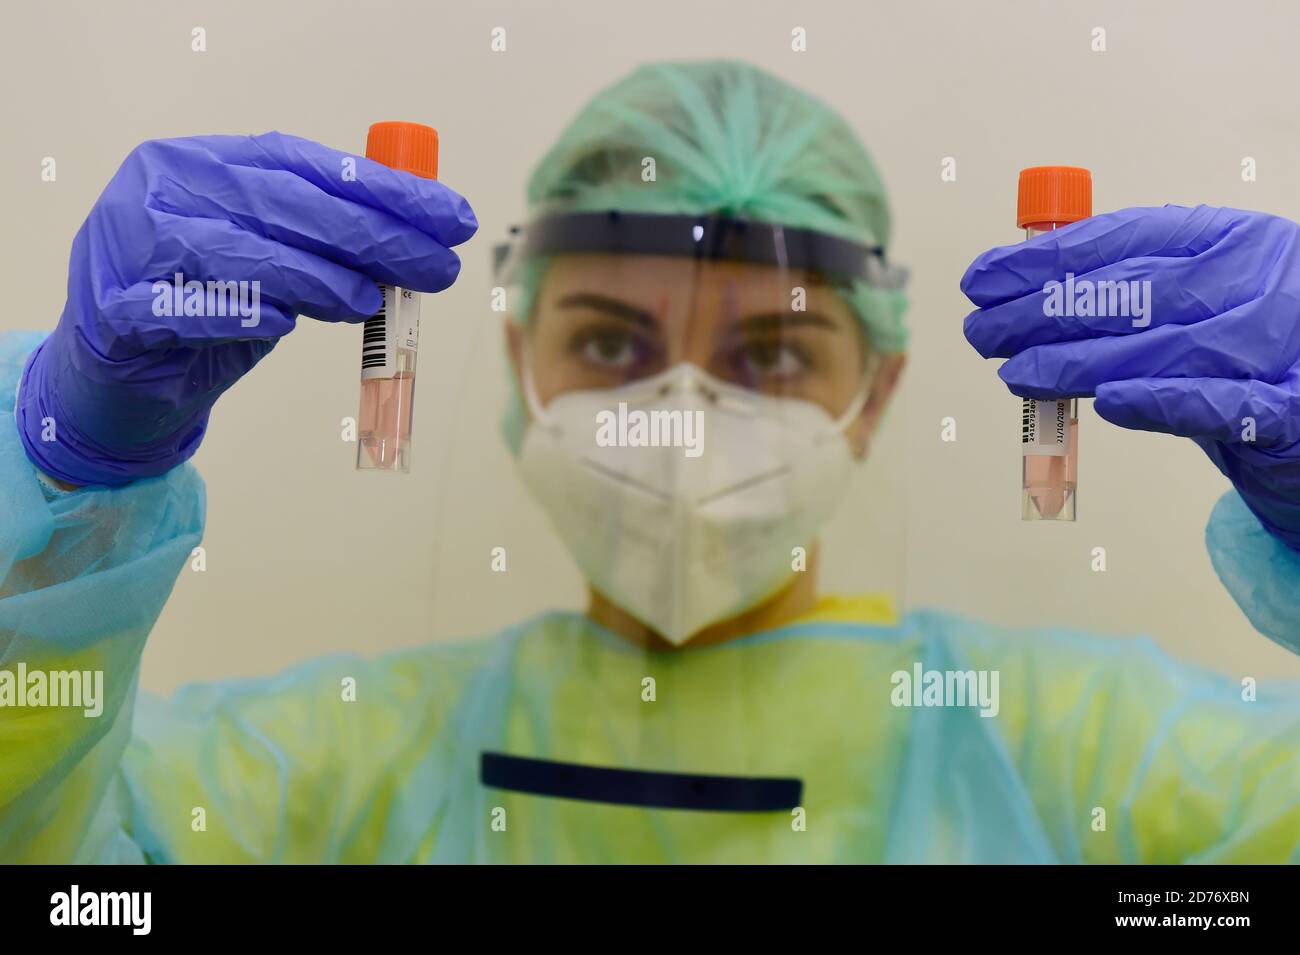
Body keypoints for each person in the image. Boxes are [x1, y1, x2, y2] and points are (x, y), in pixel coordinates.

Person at [1, 61, 1298, 864]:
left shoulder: (1089, 755)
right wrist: (71, 477)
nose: (685, 411)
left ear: (880, 385)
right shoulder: (341, 763)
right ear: (522, 368)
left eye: (774, 354)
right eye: (614, 342)